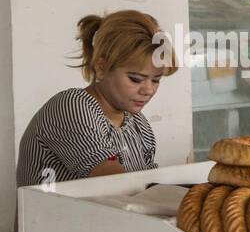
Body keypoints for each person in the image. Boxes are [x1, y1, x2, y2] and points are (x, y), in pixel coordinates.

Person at [16, 10, 176, 188]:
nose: (148, 90)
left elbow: (150, 185)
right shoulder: (71, 106)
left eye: (156, 80)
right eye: (135, 79)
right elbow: (114, 183)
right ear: (102, 67)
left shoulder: (138, 123)